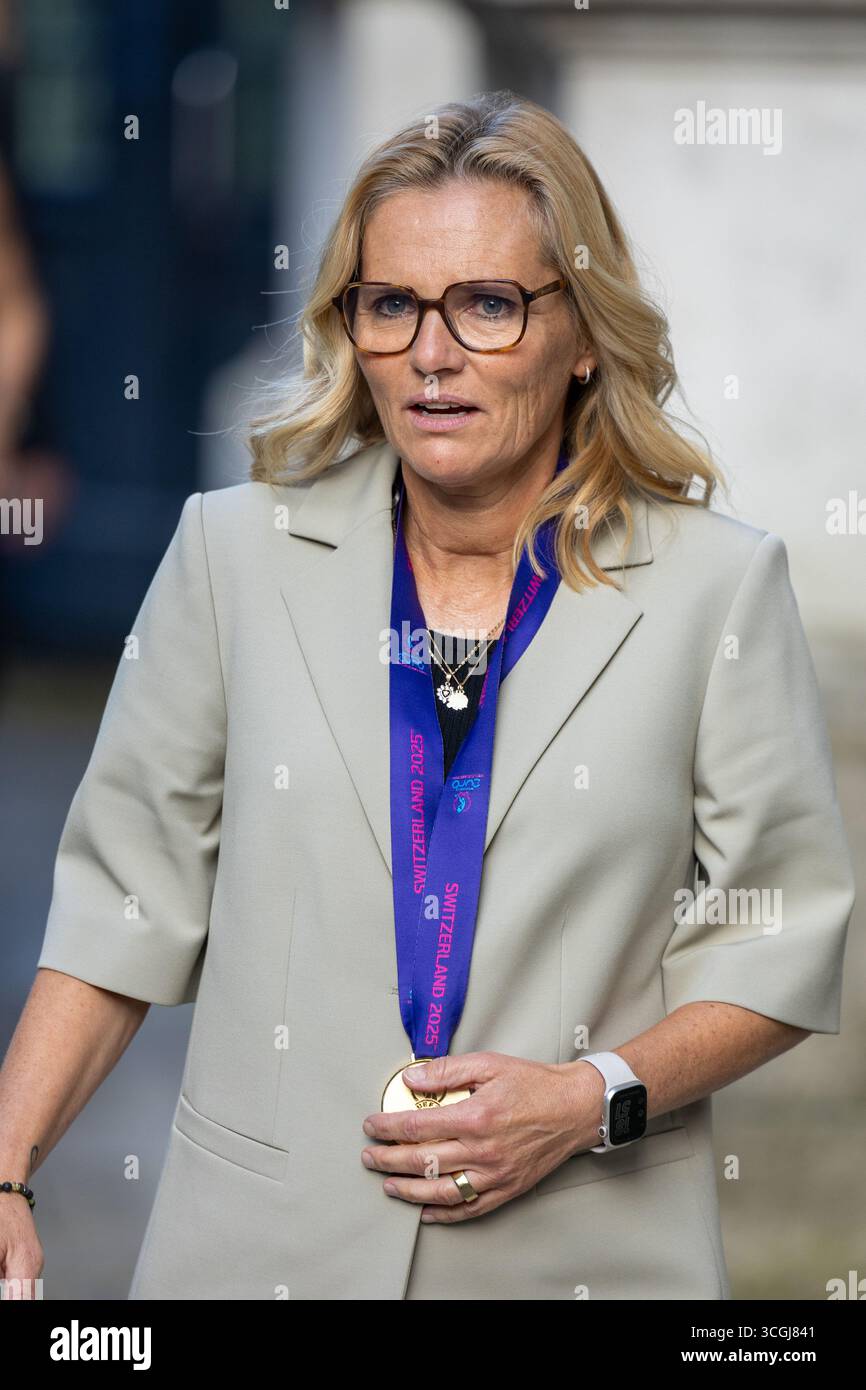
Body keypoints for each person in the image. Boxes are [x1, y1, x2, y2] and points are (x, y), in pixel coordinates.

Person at [0, 91, 855, 1301]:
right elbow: (119, 909)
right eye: (391, 303)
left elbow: (780, 938)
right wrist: (5, 1173)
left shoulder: (716, 588)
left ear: (578, 333)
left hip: (585, 1255)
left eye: (487, 305)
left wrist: (586, 1099)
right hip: (258, 1253)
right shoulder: (230, 556)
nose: (431, 352)